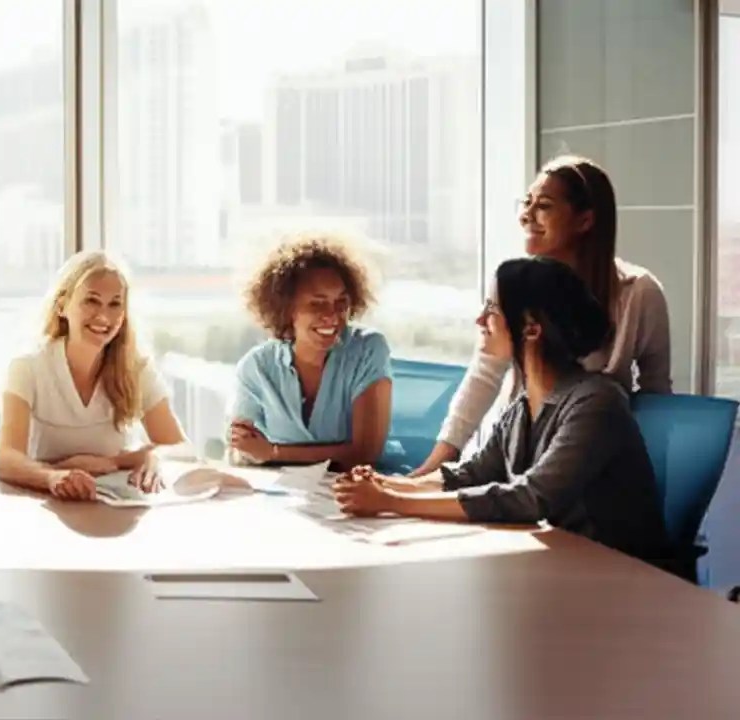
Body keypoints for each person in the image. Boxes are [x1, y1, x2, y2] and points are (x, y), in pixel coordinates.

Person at [334, 257, 671, 562]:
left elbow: (530, 498)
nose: (481, 319)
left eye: (492, 309)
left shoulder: (596, 402)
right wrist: (387, 485)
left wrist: (391, 503)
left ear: (532, 328)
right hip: (558, 566)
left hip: (617, 578)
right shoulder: (522, 406)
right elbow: (471, 475)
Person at [412, 155, 672, 476]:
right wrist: (435, 464)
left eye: (544, 206)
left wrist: (649, 484)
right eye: (526, 202)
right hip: (518, 455)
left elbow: (657, 395)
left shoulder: (640, 293)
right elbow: (485, 373)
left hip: (589, 463)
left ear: (585, 220)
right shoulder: (514, 283)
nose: (527, 216)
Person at [0, 251, 188, 501]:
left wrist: (117, 461)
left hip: (112, 505)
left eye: (115, 304)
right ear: (62, 305)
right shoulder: (27, 366)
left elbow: (180, 447)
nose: (103, 317)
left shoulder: (136, 368)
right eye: (91, 301)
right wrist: (55, 477)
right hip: (42, 503)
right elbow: (7, 458)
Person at [228, 231, 397, 471]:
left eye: (341, 303)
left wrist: (273, 452)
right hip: (280, 495)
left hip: (356, 493)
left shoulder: (368, 349)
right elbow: (241, 450)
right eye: (317, 304)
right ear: (286, 309)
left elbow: (364, 453)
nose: (332, 316)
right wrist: (246, 451)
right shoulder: (256, 366)